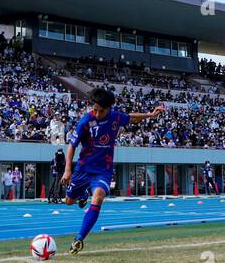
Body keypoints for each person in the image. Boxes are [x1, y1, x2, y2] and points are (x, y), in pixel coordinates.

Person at [60, 88, 164, 253]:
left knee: (99, 197)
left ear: (108, 108)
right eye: (94, 109)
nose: (97, 113)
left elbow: (132, 118)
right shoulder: (86, 121)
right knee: (68, 201)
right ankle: (82, 194)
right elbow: (72, 145)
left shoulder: (115, 117)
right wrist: (67, 170)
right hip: (83, 169)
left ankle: (79, 238)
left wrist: (150, 115)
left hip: (103, 170)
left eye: (100, 111)